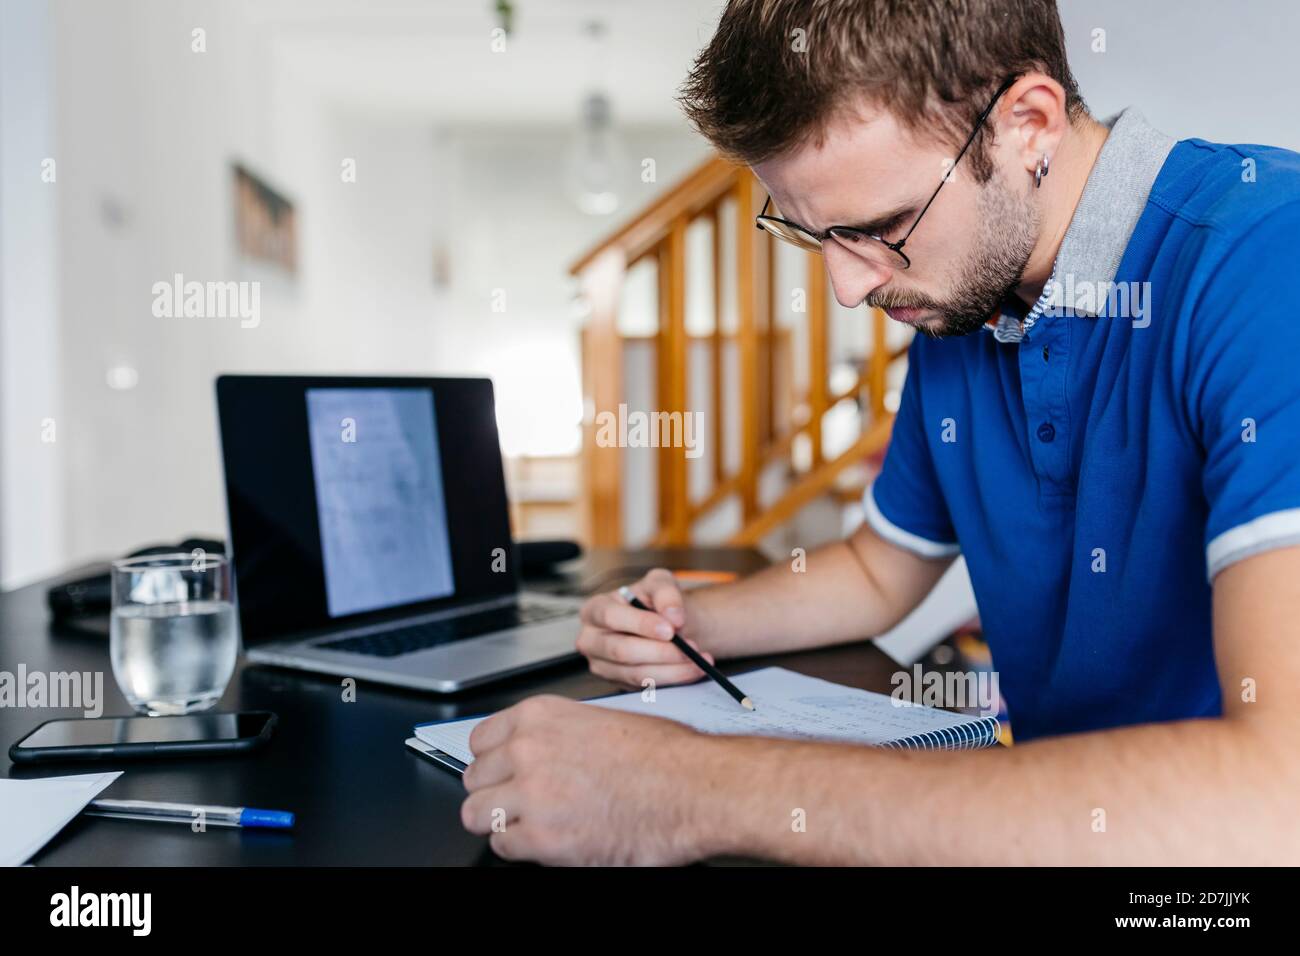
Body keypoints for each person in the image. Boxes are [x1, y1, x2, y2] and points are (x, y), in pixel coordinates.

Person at [461, 0, 1300, 864]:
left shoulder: (1269, 259)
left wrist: (686, 789)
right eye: (811, 234)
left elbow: (1278, 799)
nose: (849, 291)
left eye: (880, 229)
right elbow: (879, 570)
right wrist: (691, 626)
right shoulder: (966, 301)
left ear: (1029, 125)